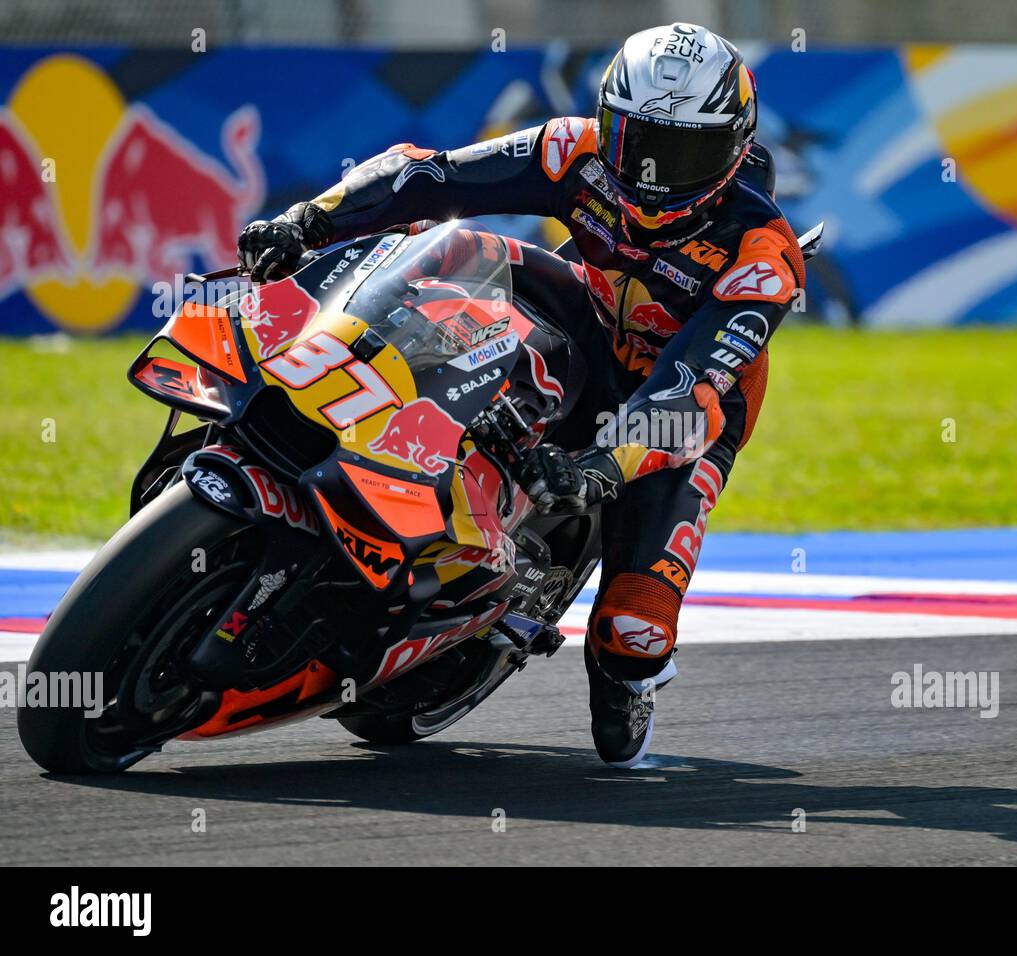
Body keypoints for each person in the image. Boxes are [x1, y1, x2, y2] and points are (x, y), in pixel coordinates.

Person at [237, 22, 805, 767]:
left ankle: (626, 680)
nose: (656, 173)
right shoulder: (576, 151)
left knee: (634, 636)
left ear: (734, 147)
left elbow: (687, 387)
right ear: (607, 121)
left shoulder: (762, 256)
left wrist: (602, 467)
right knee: (471, 259)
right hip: (584, 321)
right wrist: (306, 221)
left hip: (685, 410)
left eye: (687, 149)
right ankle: (378, 436)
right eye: (638, 141)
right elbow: (430, 178)